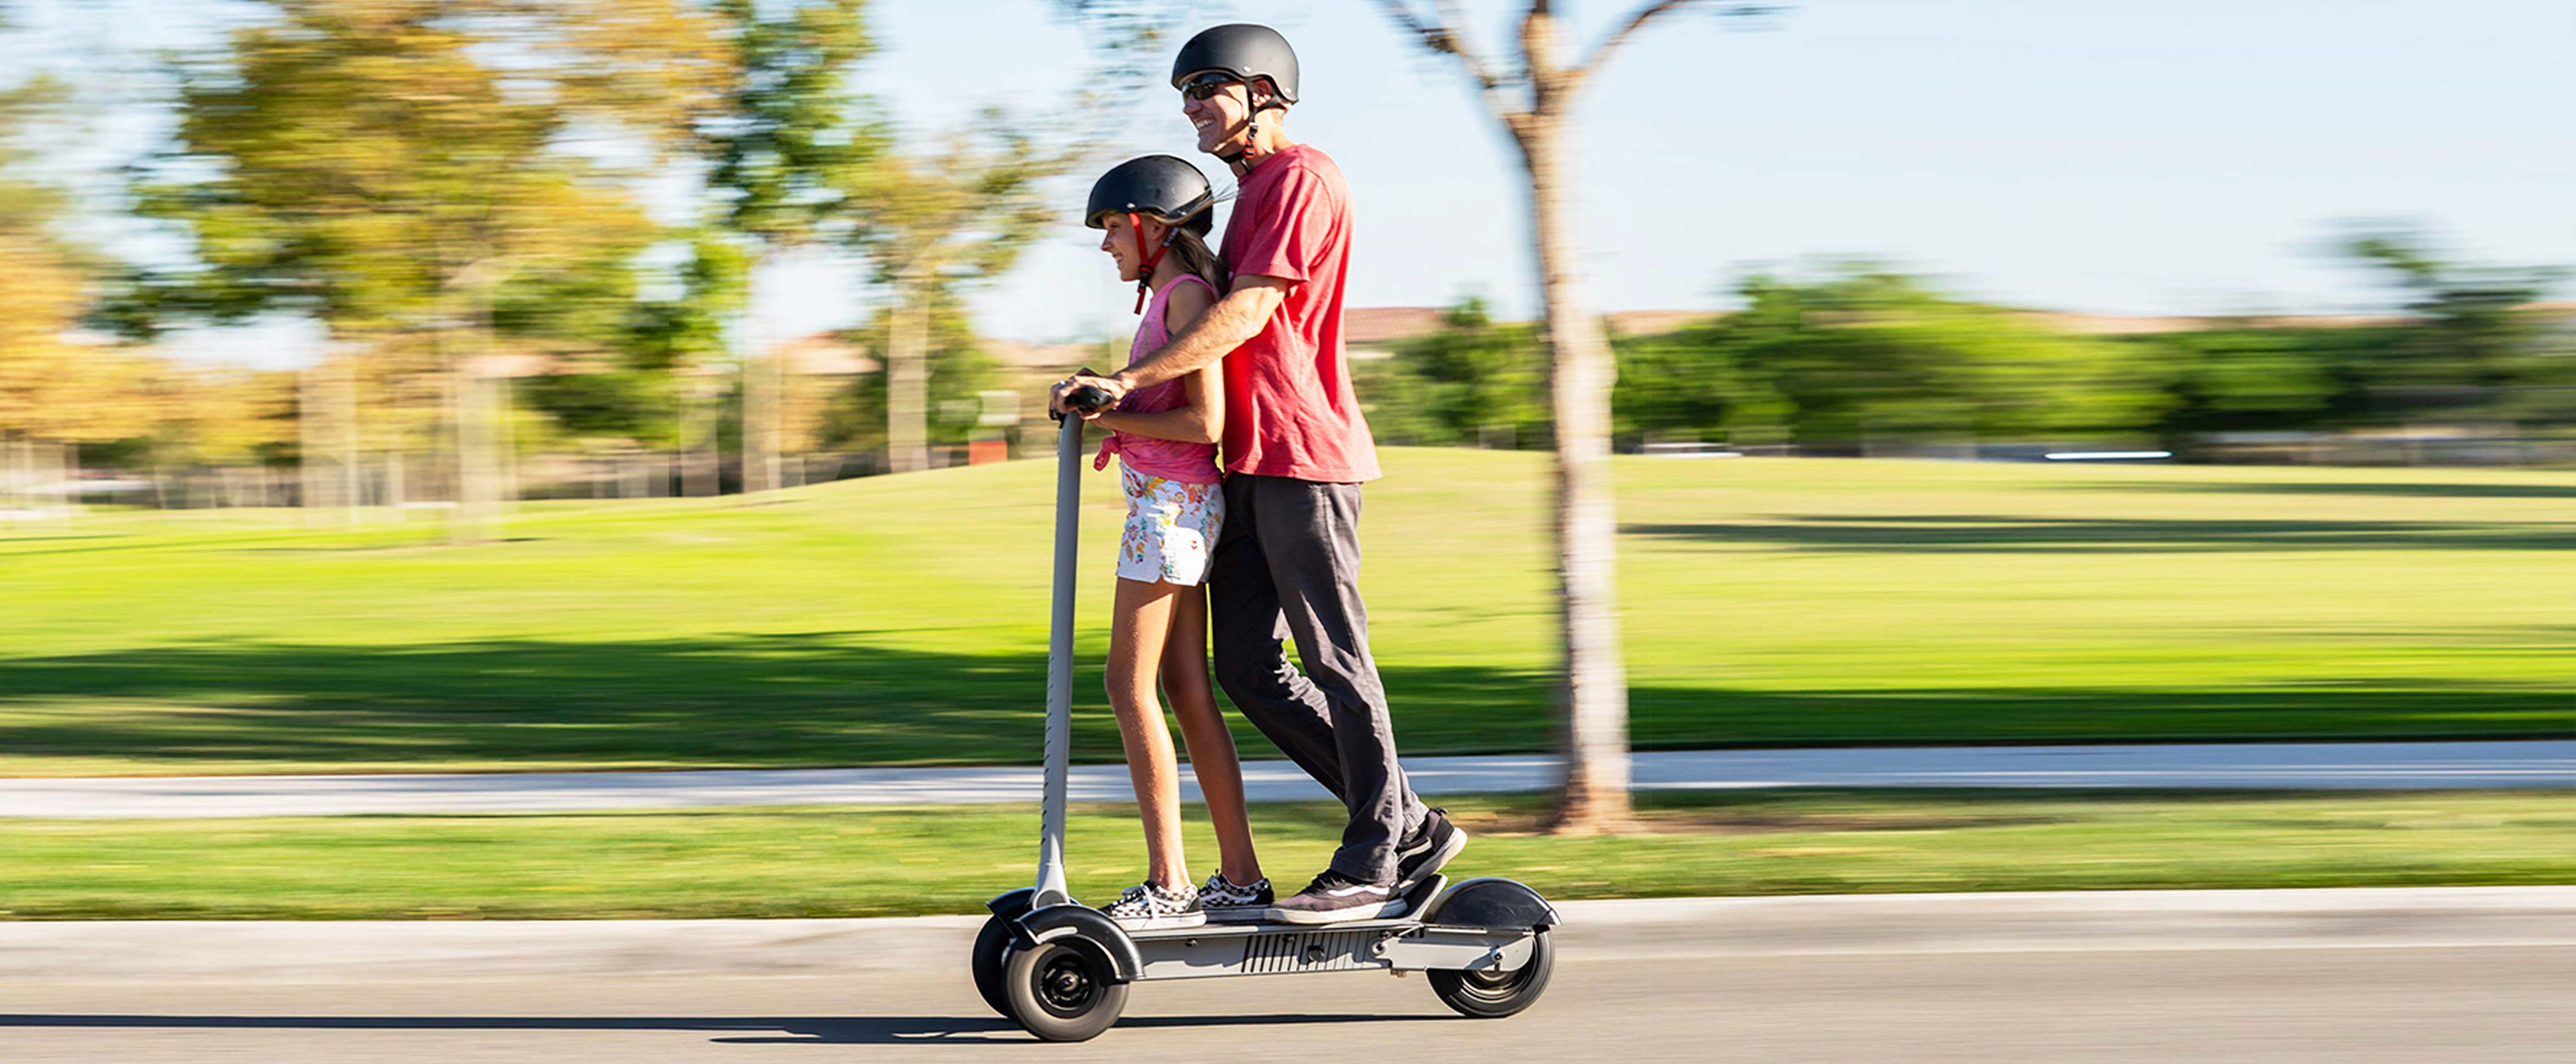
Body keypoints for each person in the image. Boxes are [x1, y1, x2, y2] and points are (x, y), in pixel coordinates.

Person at [1054, 24, 1462, 926]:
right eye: (1186, 91)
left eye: (1209, 85)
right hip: (1248, 463)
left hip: (1304, 453)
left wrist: (1127, 383)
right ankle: (1411, 824)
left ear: (1266, 90)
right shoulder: (1253, 192)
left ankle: (1376, 854)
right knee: (1244, 664)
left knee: (1334, 655)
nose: (1194, 104)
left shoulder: (1303, 178)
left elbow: (1247, 312)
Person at [1077, 155, 1270, 930]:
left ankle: (1170, 882)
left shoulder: (1186, 295)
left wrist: (1108, 415)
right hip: (1168, 506)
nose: (1105, 247)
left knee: (1127, 685)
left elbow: (1206, 424)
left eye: (1111, 230)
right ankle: (1241, 878)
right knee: (1187, 690)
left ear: (1151, 226)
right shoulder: (1162, 297)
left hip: (1173, 506)